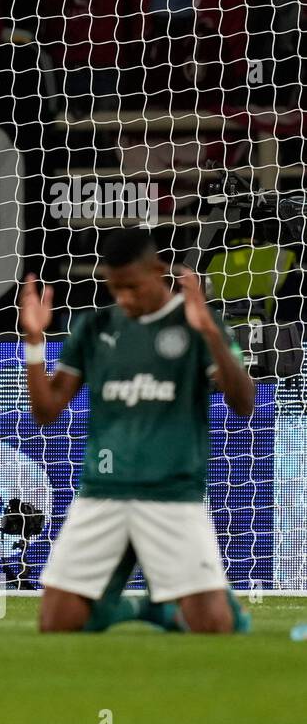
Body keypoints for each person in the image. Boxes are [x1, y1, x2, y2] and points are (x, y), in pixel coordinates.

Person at [20, 227, 256, 633]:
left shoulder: (197, 324)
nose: (124, 299)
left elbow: (243, 403)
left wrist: (211, 334)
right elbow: (46, 411)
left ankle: (179, 607)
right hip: (102, 492)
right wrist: (35, 341)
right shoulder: (94, 328)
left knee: (215, 628)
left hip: (172, 493)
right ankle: (132, 609)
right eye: (116, 289)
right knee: (56, 624)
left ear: (158, 271)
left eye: (132, 287)